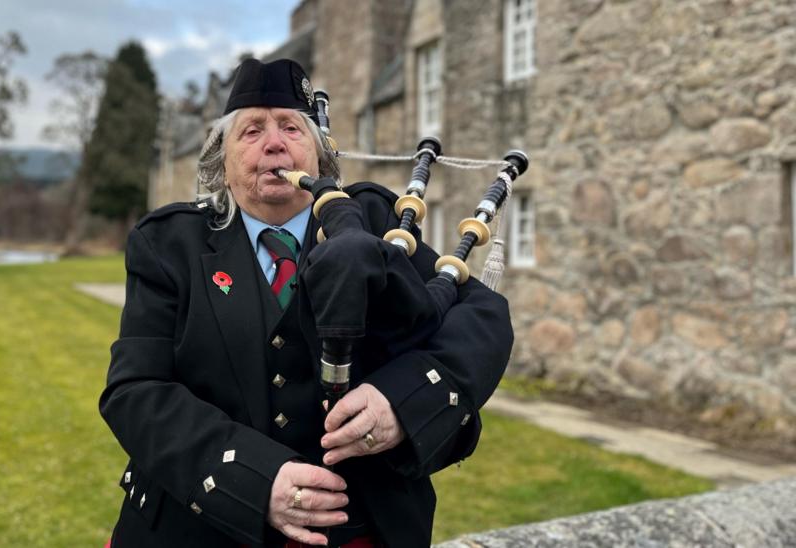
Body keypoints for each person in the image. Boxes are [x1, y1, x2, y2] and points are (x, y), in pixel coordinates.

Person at [99, 58, 514, 548]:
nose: (274, 143)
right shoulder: (169, 245)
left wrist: (400, 403)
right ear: (222, 165)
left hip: (364, 529)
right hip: (198, 531)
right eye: (252, 130)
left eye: (291, 128)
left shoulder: (375, 221)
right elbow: (135, 389)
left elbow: (481, 315)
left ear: (319, 159)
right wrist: (253, 481)